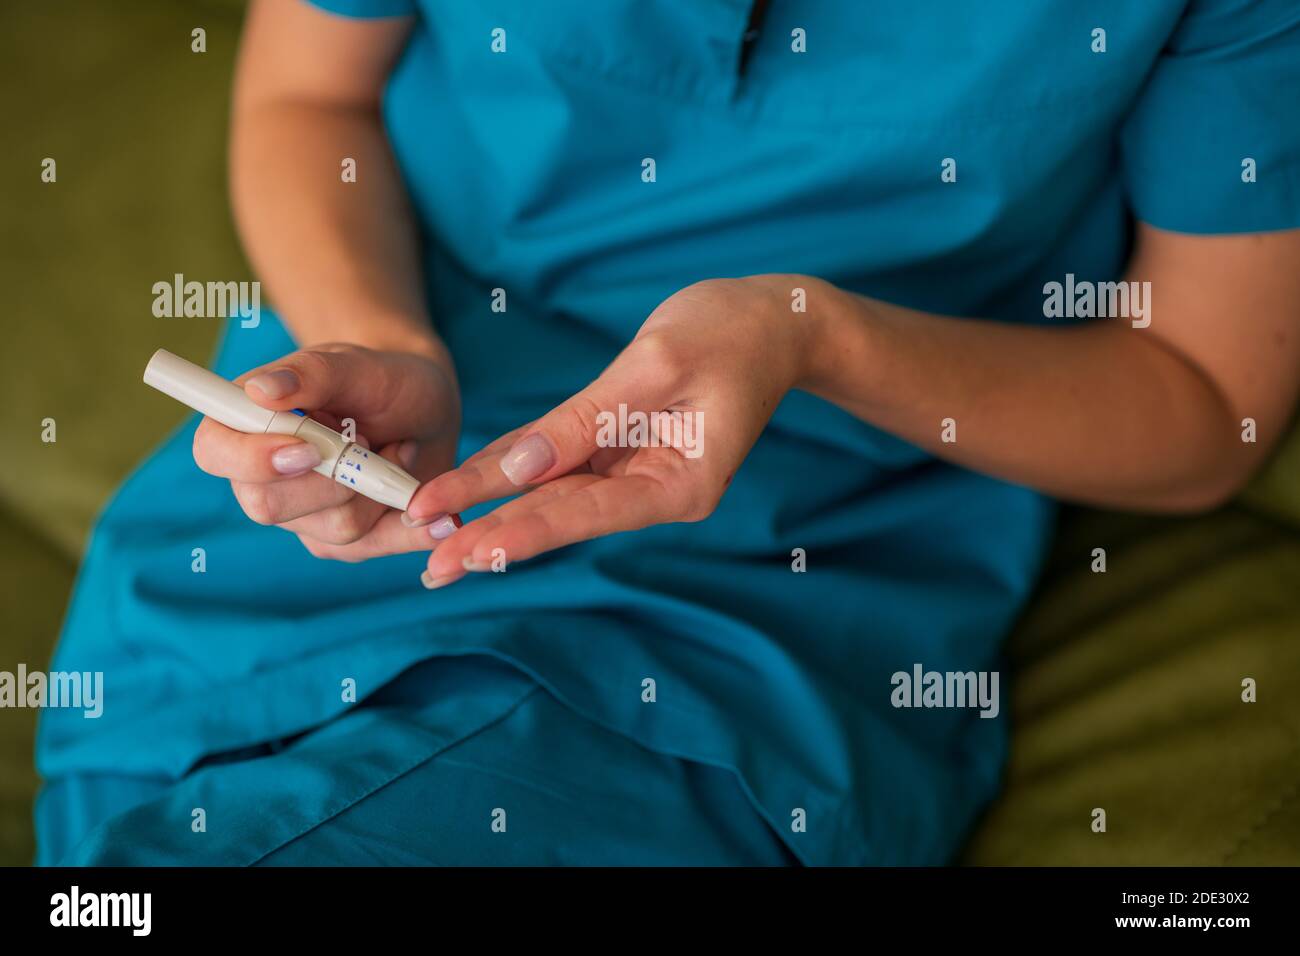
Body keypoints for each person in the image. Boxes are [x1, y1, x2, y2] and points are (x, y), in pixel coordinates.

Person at [37, 0, 1300, 865]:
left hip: (752, 588)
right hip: (294, 544)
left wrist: (815, 336)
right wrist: (383, 342)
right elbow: (307, 96)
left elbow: (1206, 405)